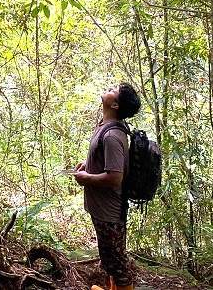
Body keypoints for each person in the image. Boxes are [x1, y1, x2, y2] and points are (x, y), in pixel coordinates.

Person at [73, 82, 141, 290]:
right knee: (110, 260)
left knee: (118, 265)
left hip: (110, 212)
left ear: (116, 106)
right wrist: (89, 164)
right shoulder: (105, 127)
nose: (109, 89)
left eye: (114, 92)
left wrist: (86, 178)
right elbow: (107, 160)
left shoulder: (112, 136)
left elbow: (114, 178)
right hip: (102, 209)